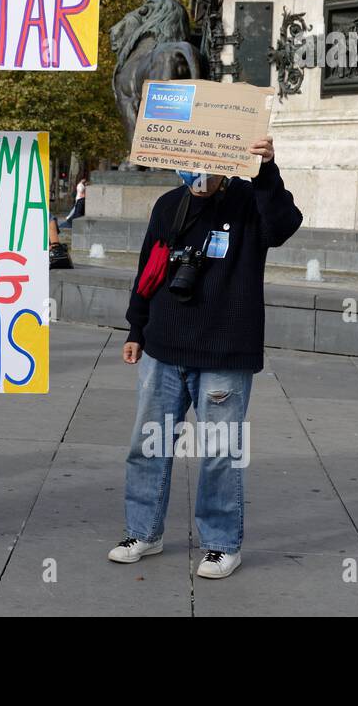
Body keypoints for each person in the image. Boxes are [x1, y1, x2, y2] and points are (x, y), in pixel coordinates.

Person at [109, 140, 302, 579]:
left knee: (219, 452)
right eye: (189, 168)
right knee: (147, 445)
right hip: (163, 347)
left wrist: (265, 170)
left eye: (206, 170)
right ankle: (143, 532)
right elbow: (149, 269)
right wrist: (136, 329)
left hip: (224, 350)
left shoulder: (249, 200)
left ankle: (220, 544)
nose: (198, 177)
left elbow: (284, 226)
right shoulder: (168, 205)